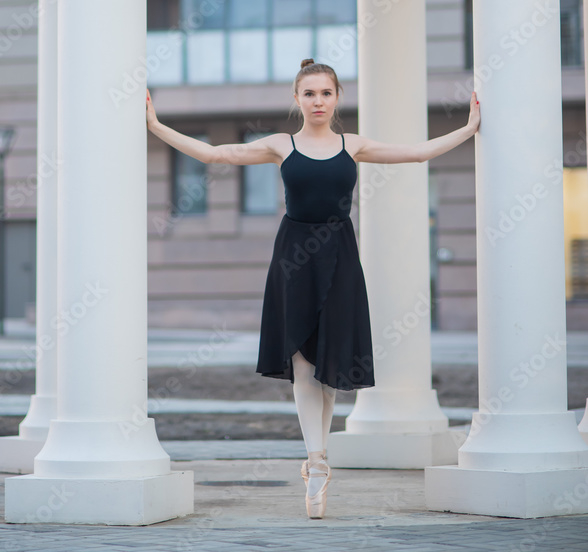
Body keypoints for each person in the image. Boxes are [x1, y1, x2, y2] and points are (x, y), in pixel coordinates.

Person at [146, 59, 480, 519]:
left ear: (337, 97)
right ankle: (317, 462)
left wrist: (469, 127)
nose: (318, 101)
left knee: (330, 367)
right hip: (294, 258)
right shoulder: (281, 145)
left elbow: (418, 153)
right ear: (297, 99)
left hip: (341, 256)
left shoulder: (353, 144)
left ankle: (316, 460)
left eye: (326, 93)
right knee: (303, 361)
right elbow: (214, 154)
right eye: (310, 93)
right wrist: (155, 124)